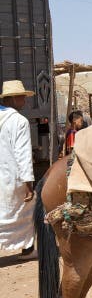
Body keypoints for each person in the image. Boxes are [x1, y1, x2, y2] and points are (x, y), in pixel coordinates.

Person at [0, 80, 36, 259]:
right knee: (25, 210)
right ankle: (27, 249)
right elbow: (22, 154)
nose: (25, 101)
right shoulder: (19, 121)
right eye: (22, 97)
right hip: (11, 177)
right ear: (13, 99)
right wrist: (28, 182)